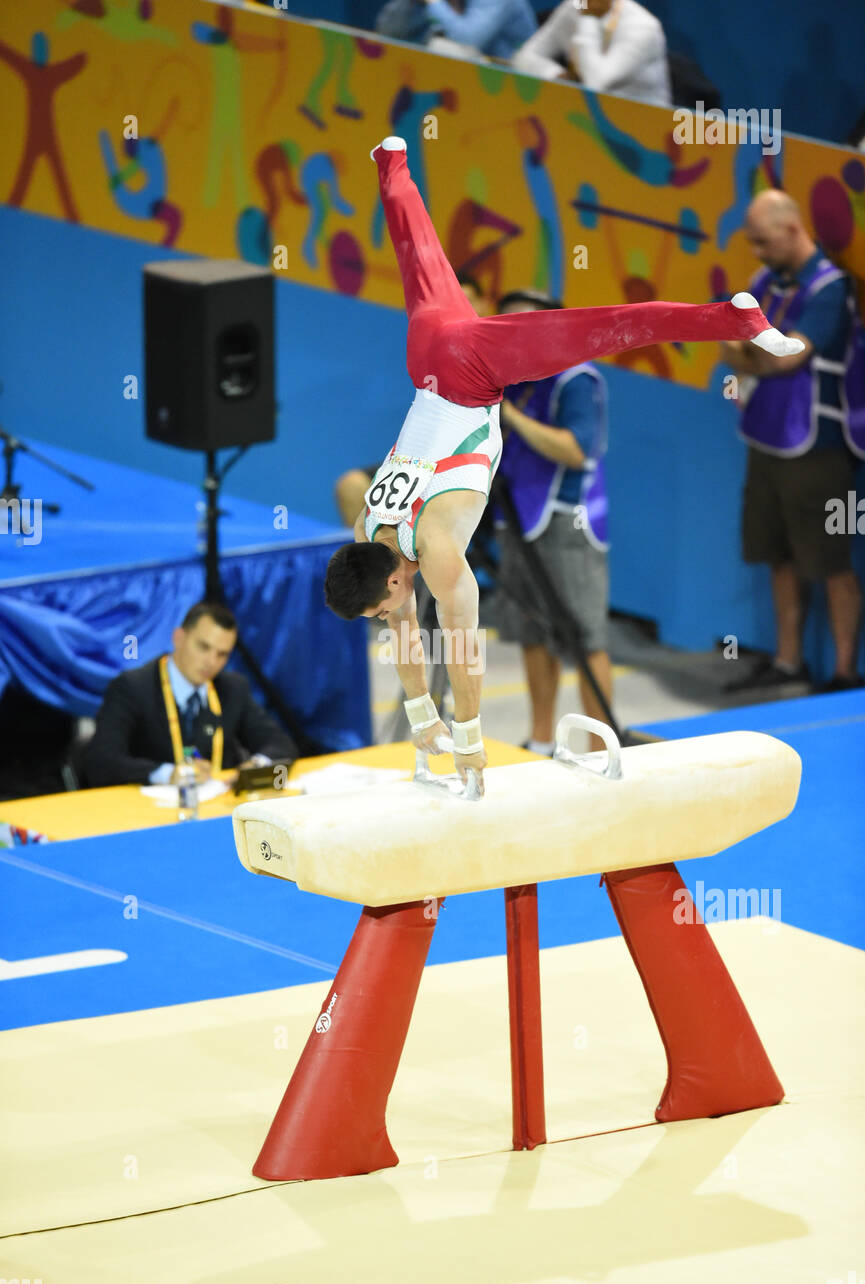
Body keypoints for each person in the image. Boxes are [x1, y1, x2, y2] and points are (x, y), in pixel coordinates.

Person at [323, 135, 802, 796]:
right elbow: (406, 625)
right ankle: (391, 162)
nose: (387, 620)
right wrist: (416, 713)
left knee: (608, 327)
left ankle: (734, 318)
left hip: (467, 370)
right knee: (418, 255)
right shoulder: (367, 548)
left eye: (378, 612)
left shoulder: (433, 549)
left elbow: (461, 655)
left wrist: (466, 742)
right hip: (428, 354)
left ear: (395, 581)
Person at [720, 190, 863, 694]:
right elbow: (732, 350)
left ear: (791, 228)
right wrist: (748, 354)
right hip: (764, 436)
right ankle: (788, 662)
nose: (756, 252)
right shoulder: (764, 282)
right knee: (776, 555)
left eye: (762, 241)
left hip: (816, 446)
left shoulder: (831, 288)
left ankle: (845, 673)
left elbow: (785, 358)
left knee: (830, 562)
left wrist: (749, 355)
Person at [492, 288, 613, 755]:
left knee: (585, 639)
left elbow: (576, 449)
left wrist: (512, 419)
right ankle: (541, 741)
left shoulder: (577, 381)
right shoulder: (509, 380)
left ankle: (600, 750)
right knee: (532, 634)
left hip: (567, 520)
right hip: (517, 517)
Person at [334, 274, 492, 529]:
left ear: (484, 305)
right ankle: (379, 566)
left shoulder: (499, 354)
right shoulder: (434, 353)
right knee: (352, 486)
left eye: (468, 303)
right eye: (452, 308)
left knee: (433, 509)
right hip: (431, 462)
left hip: (485, 471)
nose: (460, 315)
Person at [83, 602, 298, 788]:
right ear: (179, 638)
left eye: (222, 654)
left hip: (217, 808)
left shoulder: (232, 688)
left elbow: (281, 744)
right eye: (203, 647)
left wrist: (256, 765)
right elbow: (101, 761)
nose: (211, 662)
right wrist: (168, 774)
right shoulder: (132, 687)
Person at [511, 0, 671, 108]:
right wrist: (556, 75)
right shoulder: (572, 8)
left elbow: (595, 85)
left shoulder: (642, 27)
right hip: (586, 118)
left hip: (643, 127)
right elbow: (523, 57)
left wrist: (588, 17)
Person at [420, 0, 537, 61]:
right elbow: (403, 32)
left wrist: (434, 1)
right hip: (481, 65)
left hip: (511, 74)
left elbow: (468, 39)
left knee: (442, 48)